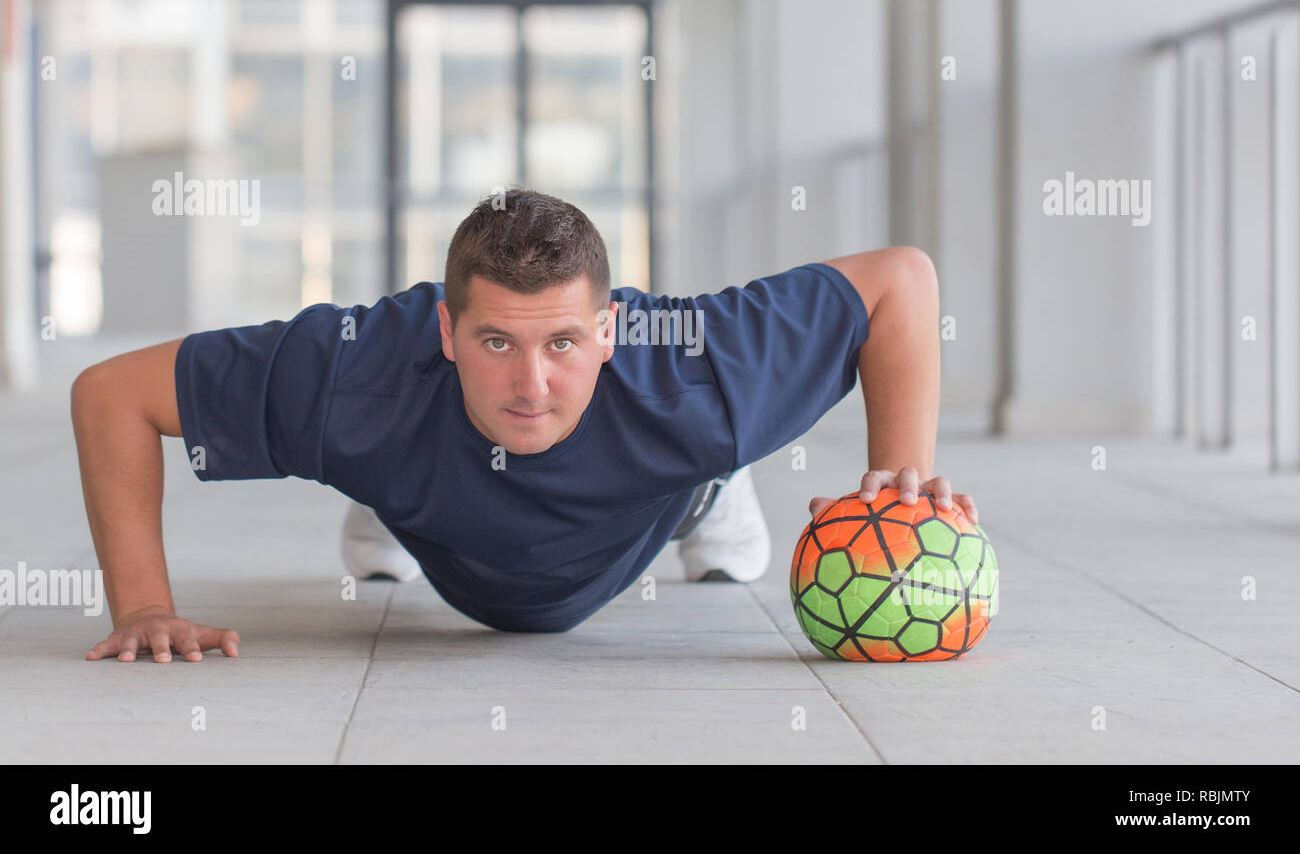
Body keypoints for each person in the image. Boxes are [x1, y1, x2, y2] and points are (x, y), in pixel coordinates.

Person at [73, 187, 979, 662]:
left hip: (651, 507)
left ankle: (715, 488)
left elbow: (901, 281)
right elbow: (109, 392)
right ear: (445, 329)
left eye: (564, 344)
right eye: (497, 340)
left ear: (612, 330)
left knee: (702, 453)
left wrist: (899, 488)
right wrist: (145, 607)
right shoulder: (358, 369)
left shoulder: (698, 368)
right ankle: (386, 495)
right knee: (382, 440)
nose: (533, 383)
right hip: (439, 518)